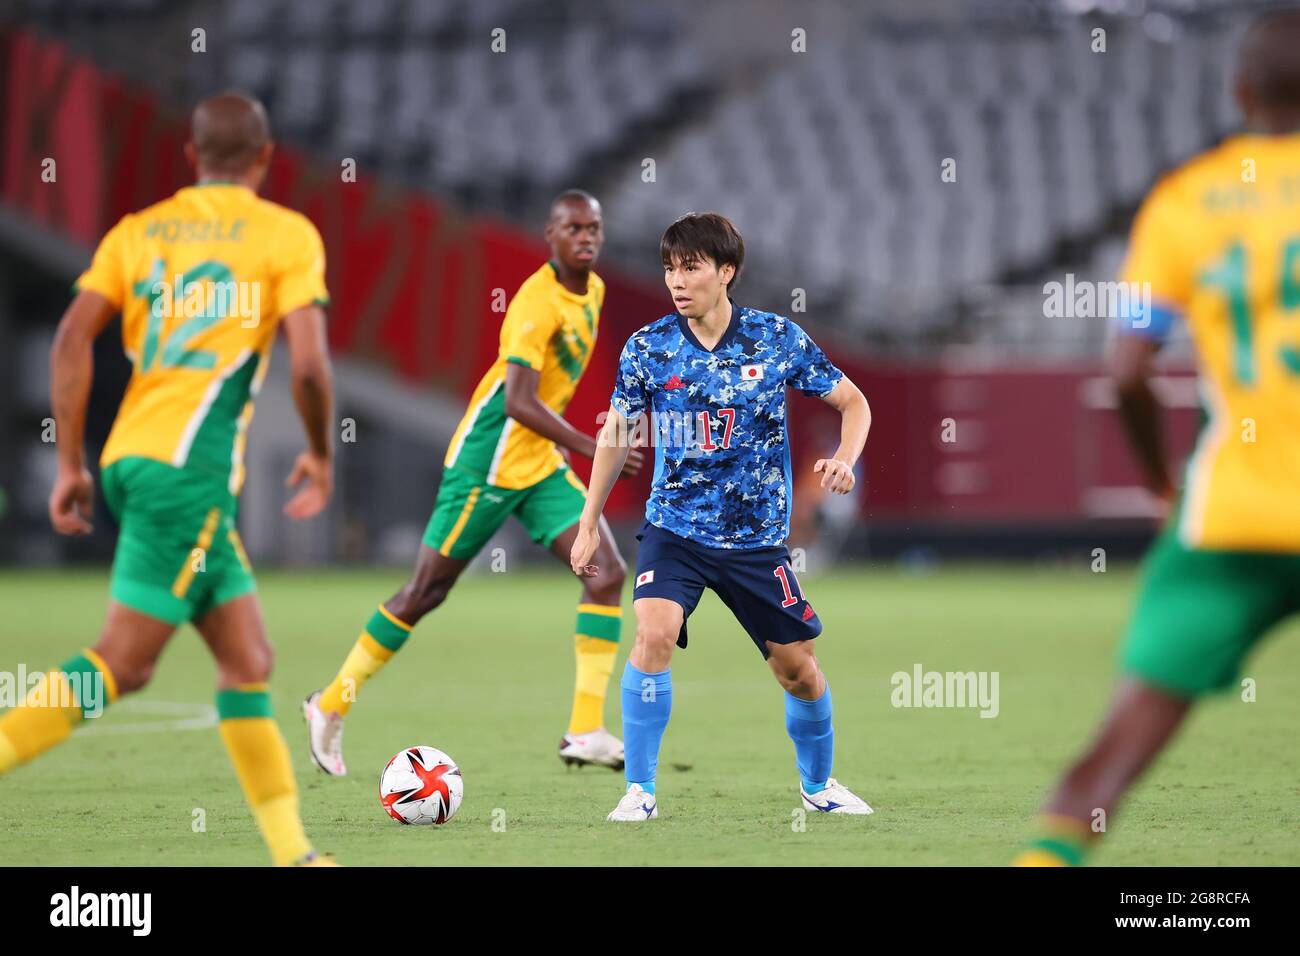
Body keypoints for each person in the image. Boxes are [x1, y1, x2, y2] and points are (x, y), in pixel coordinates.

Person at [0, 92, 337, 866]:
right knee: (123, 664)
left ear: (191, 157)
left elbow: (70, 338)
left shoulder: (139, 231)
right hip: (190, 475)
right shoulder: (285, 235)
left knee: (248, 658)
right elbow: (312, 367)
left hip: (132, 460)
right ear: (264, 157)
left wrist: (69, 464)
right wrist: (320, 450)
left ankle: (296, 856)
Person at [1015, 11, 1300, 865]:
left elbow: (1129, 370)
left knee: (1100, 776)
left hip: (1232, 513)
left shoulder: (1187, 201)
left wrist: (1160, 484)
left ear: (1239, 91)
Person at [305, 190, 642, 775]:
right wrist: (596, 447)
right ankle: (330, 705)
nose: (586, 237)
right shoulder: (536, 304)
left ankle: (585, 728)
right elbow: (516, 400)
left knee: (606, 573)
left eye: (594, 228)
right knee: (424, 592)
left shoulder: (597, 291)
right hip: (486, 464)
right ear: (551, 235)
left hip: (536, 466)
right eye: (573, 228)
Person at [570, 212, 874, 821]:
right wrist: (587, 522)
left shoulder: (776, 339)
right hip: (673, 532)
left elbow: (853, 402)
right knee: (652, 634)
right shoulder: (647, 348)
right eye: (668, 269)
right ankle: (640, 791)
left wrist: (844, 459)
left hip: (757, 544)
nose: (676, 282)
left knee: (800, 674)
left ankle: (818, 786)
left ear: (726, 272)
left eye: (691, 268)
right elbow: (616, 434)